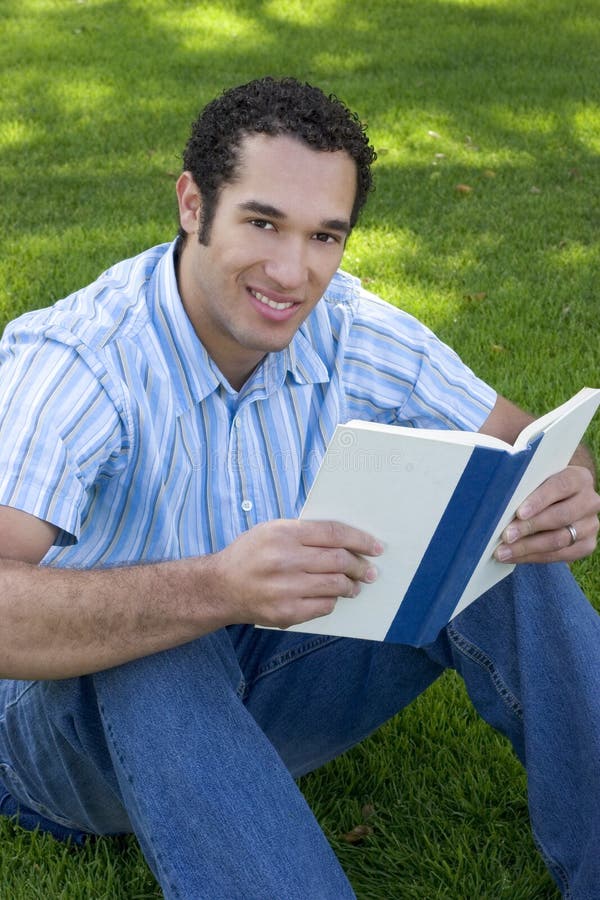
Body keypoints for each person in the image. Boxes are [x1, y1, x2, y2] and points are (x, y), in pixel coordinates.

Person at [0, 76, 598, 899]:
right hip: (66, 748)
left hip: (265, 691)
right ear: (191, 204)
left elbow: (530, 445)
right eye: (263, 223)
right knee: (161, 646)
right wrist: (215, 588)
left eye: (325, 237)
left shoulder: (349, 325)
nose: (293, 272)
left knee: (502, 525)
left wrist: (565, 490)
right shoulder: (81, 361)